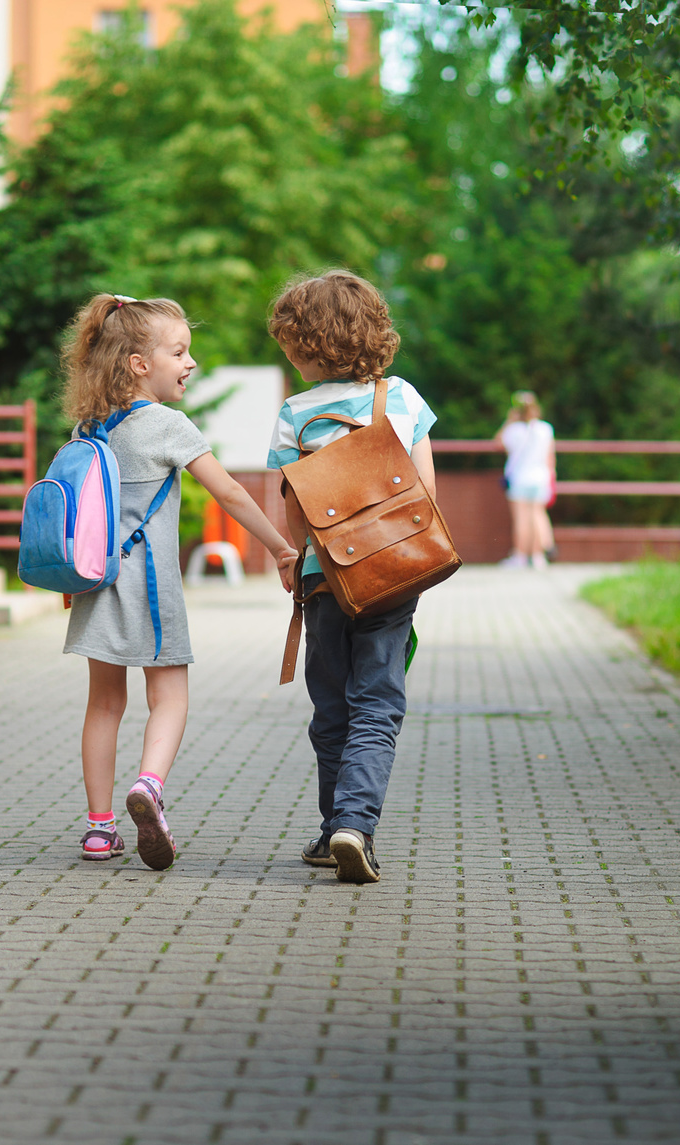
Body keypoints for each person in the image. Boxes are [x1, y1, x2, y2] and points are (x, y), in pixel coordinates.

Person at [61, 294, 297, 870]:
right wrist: (281, 548)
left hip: (95, 584)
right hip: (150, 588)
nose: (190, 362)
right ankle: (148, 785)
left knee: (103, 705)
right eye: (179, 351)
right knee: (169, 696)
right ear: (140, 364)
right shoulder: (167, 424)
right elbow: (231, 492)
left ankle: (98, 831)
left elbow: (74, 510)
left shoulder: (87, 427)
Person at [265, 270, 438, 885]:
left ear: (308, 346)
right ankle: (353, 826)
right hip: (392, 571)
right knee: (378, 703)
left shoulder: (293, 415)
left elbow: (293, 503)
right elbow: (425, 491)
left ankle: (331, 825)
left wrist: (293, 559)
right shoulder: (403, 400)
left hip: (324, 579)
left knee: (332, 704)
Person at [494, 391, 557, 569]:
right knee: (537, 515)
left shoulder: (513, 430)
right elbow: (550, 457)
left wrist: (508, 420)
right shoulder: (545, 429)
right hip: (541, 477)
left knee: (521, 518)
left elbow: (498, 442)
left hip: (520, 478)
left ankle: (520, 556)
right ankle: (538, 558)